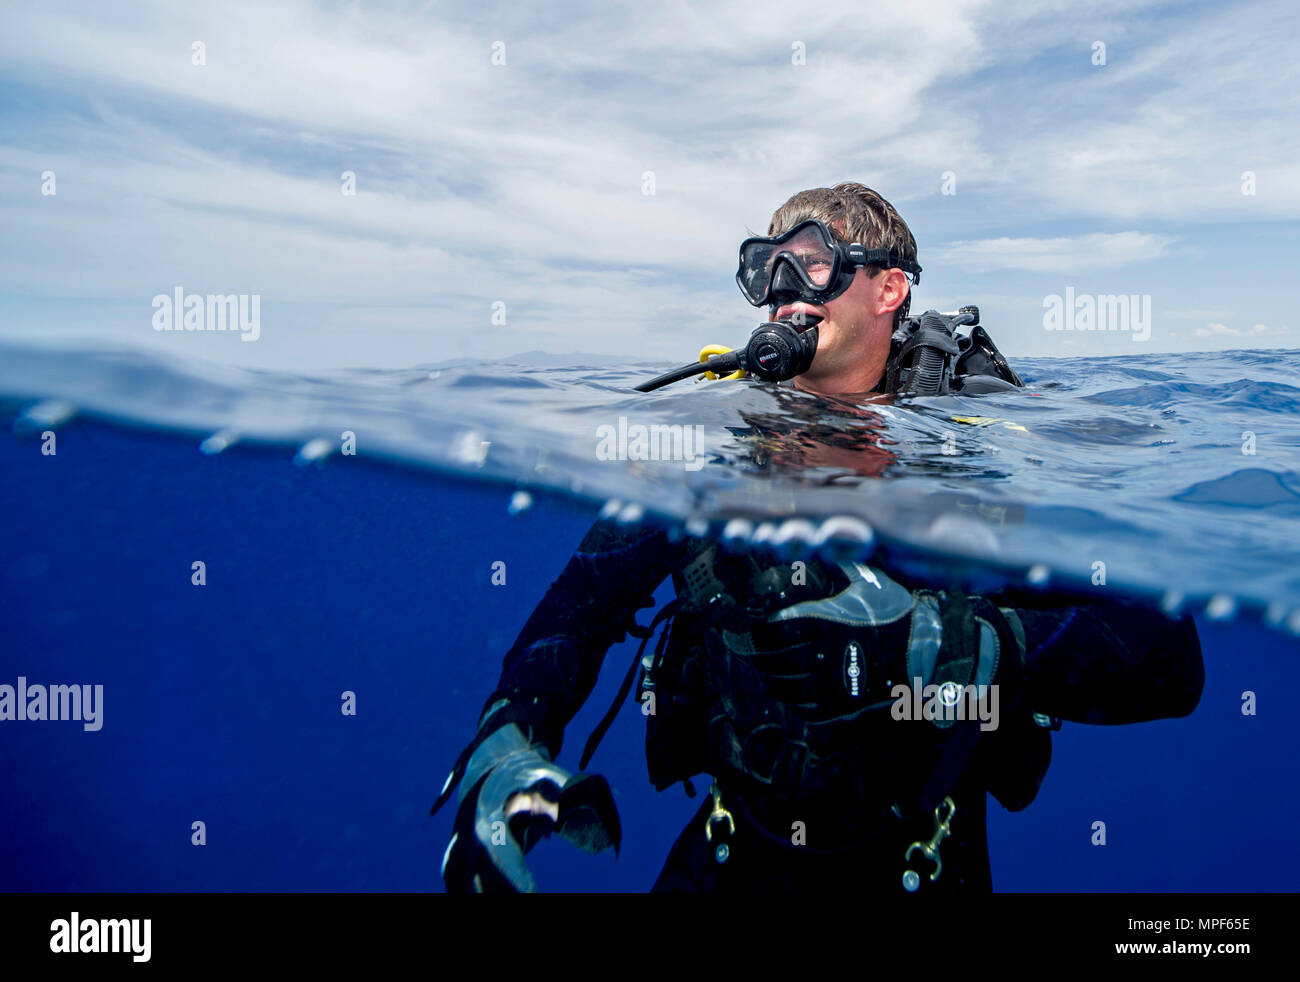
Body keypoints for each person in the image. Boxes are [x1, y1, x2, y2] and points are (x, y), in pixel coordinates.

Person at [431, 183, 1204, 893]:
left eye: (809, 266)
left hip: (924, 867)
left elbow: (1168, 663)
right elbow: (583, 603)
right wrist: (509, 734)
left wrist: (965, 641)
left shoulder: (989, 451)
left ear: (888, 287)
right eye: (765, 272)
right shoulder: (712, 450)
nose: (781, 297)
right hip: (731, 855)